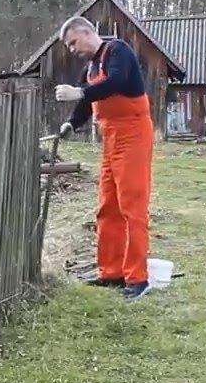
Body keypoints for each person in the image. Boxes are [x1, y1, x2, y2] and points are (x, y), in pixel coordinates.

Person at [54, 16, 154, 300]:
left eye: (73, 43)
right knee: (108, 206)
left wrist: (79, 92)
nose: (72, 49)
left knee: (132, 207)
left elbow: (115, 82)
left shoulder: (118, 51)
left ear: (87, 33)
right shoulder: (90, 68)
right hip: (110, 138)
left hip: (133, 134)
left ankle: (138, 278)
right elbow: (87, 102)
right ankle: (111, 271)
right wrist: (72, 123)